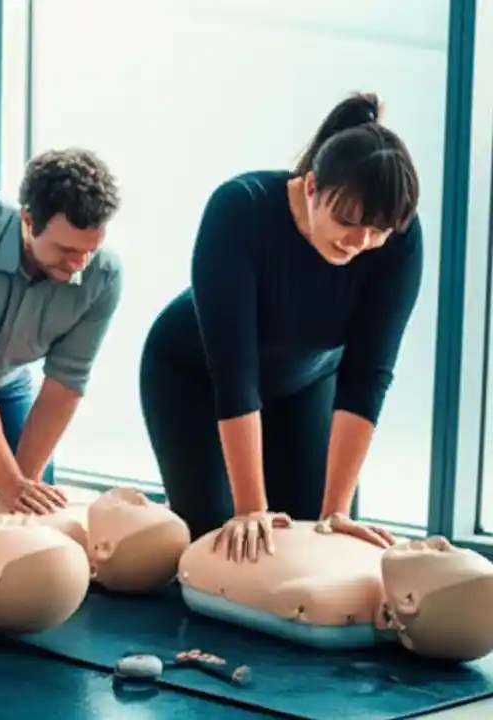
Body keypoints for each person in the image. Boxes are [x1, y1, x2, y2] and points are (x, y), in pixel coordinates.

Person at [138, 92, 421, 563]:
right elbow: (234, 373)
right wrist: (251, 508)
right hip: (194, 377)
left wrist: (336, 512)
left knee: (315, 542)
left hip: (306, 382)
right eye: (347, 222)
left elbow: (367, 376)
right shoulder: (240, 208)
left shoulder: (400, 241)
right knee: (228, 547)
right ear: (311, 187)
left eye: (378, 232)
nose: (360, 242)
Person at [0, 148, 122, 513]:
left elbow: (66, 383)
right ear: (28, 220)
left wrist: (20, 490)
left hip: (6, 384)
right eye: (66, 249)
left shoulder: (103, 277)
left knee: (35, 499)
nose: (79, 264)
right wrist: (9, 484)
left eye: (89, 250)